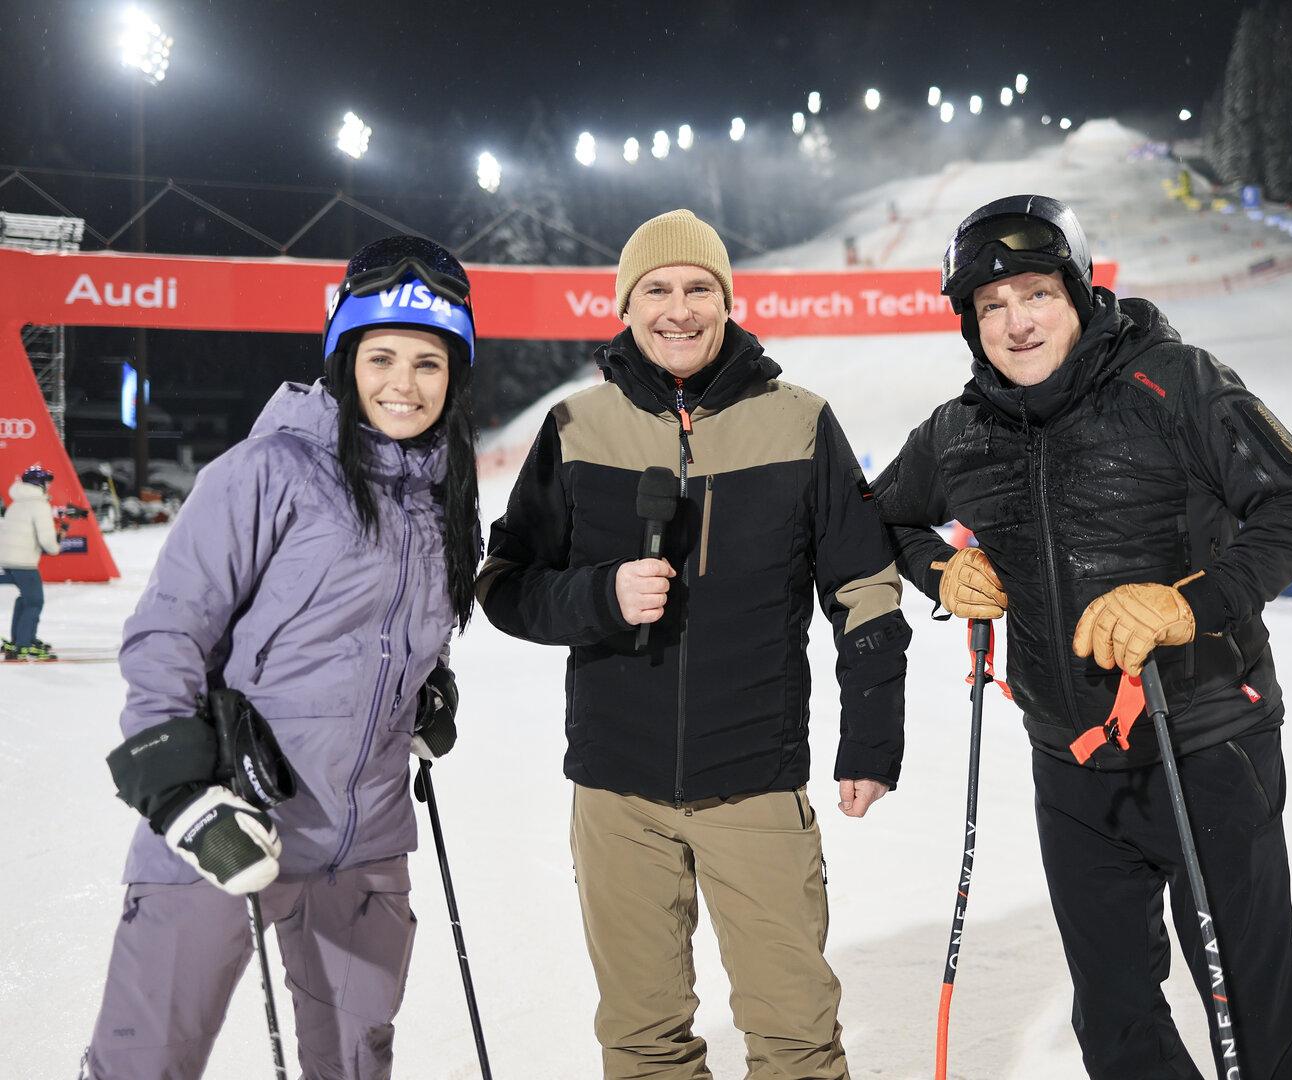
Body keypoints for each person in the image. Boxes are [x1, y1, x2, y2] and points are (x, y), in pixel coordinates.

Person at [873, 194, 1292, 1079]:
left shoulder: (1175, 383)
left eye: (1036, 294)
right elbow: (878, 519)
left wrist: (1187, 604)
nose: (1016, 323)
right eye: (990, 307)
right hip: (1072, 763)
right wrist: (941, 572)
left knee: (1256, 1014)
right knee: (1116, 1021)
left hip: (1206, 742)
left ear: (1080, 292)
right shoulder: (960, 430)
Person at [477, 209, 910, 1079]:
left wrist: (872, 737)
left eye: (699, 288)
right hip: (616, 794)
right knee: (641, 1039)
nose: (680, 309)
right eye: (658, 289)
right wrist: (601, 595)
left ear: (726, 300)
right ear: (627, 305)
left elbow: (864, 589)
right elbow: (505, 582)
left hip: (753, 779)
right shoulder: (575, 428)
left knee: (794, 1035)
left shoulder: (799, 422)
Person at [81, 235, 482, 1080]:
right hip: (231, 818)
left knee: (354, 1061)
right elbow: (168, 634)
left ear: (456, 376)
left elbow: (387, 631)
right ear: (344, 356)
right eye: (380, 357)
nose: (402, 386)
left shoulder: (445, 497)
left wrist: (426, 687)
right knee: (145, 1061)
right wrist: (181, 793)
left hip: (365, 839)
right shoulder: (270, 470)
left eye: (428, 364)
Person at [0, 463, 65, 660]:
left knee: (25, 599)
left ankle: (20, 638)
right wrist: (56, 545)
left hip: (9, 561)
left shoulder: (16, 503)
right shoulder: (39, 505)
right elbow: (47, 541)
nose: (49, 486)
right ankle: (24, 644)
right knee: (35, 601)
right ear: (39, 484)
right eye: (46, 482)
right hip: (24, 563)